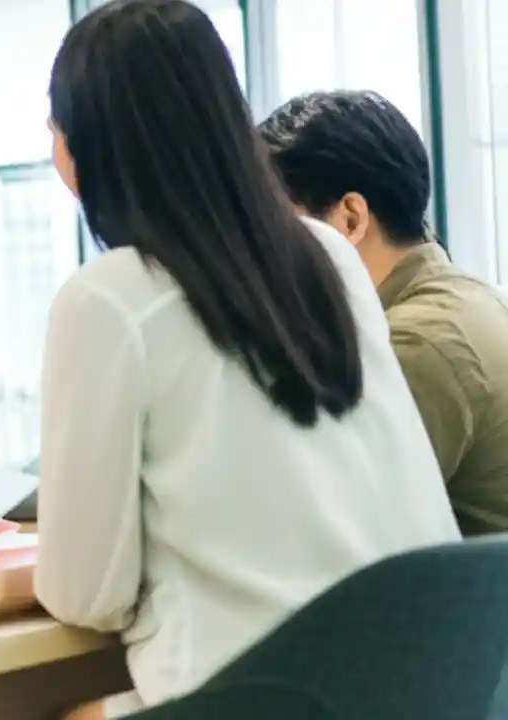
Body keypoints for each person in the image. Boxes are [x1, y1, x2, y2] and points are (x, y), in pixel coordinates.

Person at [34, 2, 461, 718]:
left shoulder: (104, 301)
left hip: (252, 696)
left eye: (54, 128)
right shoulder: (328, 257)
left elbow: (86, 593)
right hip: (420, 683)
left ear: (86, 150)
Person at [259, 90, 508, 536]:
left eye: (277, 225)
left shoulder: (417, 345)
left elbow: (332, 531)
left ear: (350, 219)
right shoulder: (458, 301)